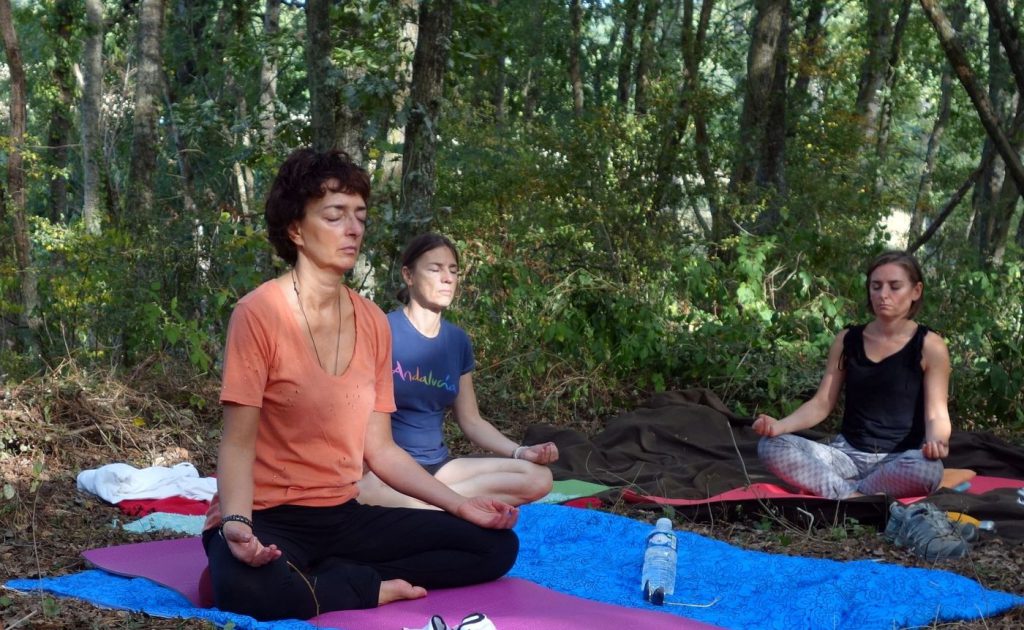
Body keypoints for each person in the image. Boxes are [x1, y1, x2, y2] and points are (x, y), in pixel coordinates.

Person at [202, 149, 519, 622]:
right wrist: (237, 526)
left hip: (342, 516)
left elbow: (382, 451)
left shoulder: (372, 321)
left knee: (494, 547)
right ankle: (355, 584)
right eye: (335, 216)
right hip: (267, 515)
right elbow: (237, 443)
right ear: (295, 229)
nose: (353, 229)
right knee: (245, 585)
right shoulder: (259, 313)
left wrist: (461, 506)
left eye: (360, 217)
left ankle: (314, 578)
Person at [357, 233, 558, 509]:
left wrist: (521, 451)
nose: (447, 278)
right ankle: (449, 506)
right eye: (435, 269)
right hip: (387, 471)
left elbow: (472, 421)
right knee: (358, 490)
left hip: (440, 468)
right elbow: (350, 410)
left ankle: (433, 506)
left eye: (453, 270)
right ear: (408, 275)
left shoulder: (457, 341)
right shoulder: (382, 330)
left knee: (539, 478)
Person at [753, 251, 951, 500]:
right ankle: (855, 496)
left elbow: (936, 414)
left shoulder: (930, 346)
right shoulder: (847, 340)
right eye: (876, 286)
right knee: (771, 446)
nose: (883, 295)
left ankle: (842, 493)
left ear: (916, 291)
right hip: (845, 456)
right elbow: (822, 403)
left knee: (928, 469)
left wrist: (937, 441)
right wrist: (779, 426)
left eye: (895, 286)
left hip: (900, 460)